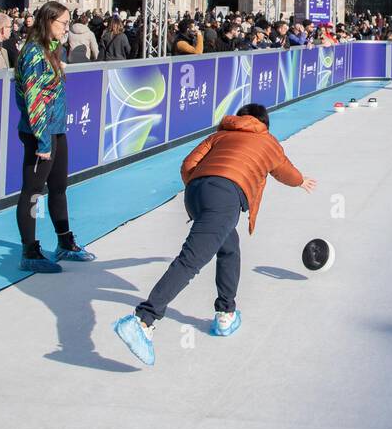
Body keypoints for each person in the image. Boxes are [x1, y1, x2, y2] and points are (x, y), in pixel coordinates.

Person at [113, 102, 316, 365]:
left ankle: (225, 313)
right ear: (264, 124)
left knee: (229, 247)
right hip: (226, 196)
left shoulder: (219, 135)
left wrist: (204, 185)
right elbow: (285, 171)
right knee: (191, 261)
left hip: (197, 193)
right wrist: (301, 181)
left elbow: (188, 164)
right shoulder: (267, 141)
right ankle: (144, 319)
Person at [13, 1, 95, 274]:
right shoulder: (34, 54)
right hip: (41, 134)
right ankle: (30, 250)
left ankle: (64, 241)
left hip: (57, 128)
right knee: (33, 192)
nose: (66, 29)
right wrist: (44, 141)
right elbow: (34, 100)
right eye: (62, 23)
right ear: (47, 21)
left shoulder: (50, 50)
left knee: (59, 187)